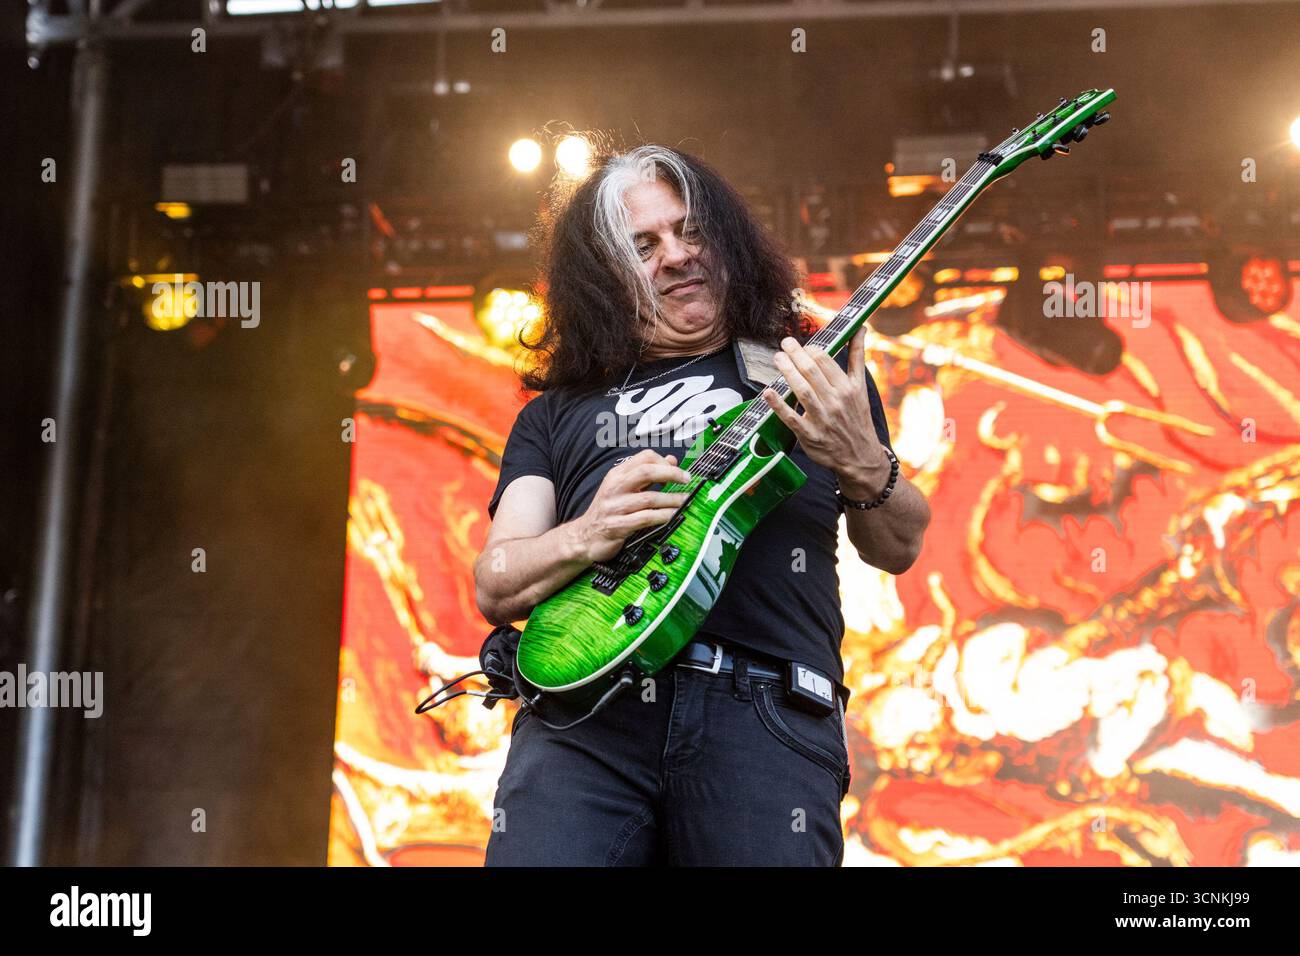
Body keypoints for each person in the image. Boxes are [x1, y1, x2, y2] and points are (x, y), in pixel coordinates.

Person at [474, 144, 930, 866]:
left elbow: (898, 547)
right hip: (587, 720)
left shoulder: (812, 371)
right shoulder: (556, 413)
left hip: (766, 715)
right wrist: (591, 532)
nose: (677, 255)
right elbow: (497, 580)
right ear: (605, 276)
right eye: (644, 244)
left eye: (693, 231)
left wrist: (863, 459)